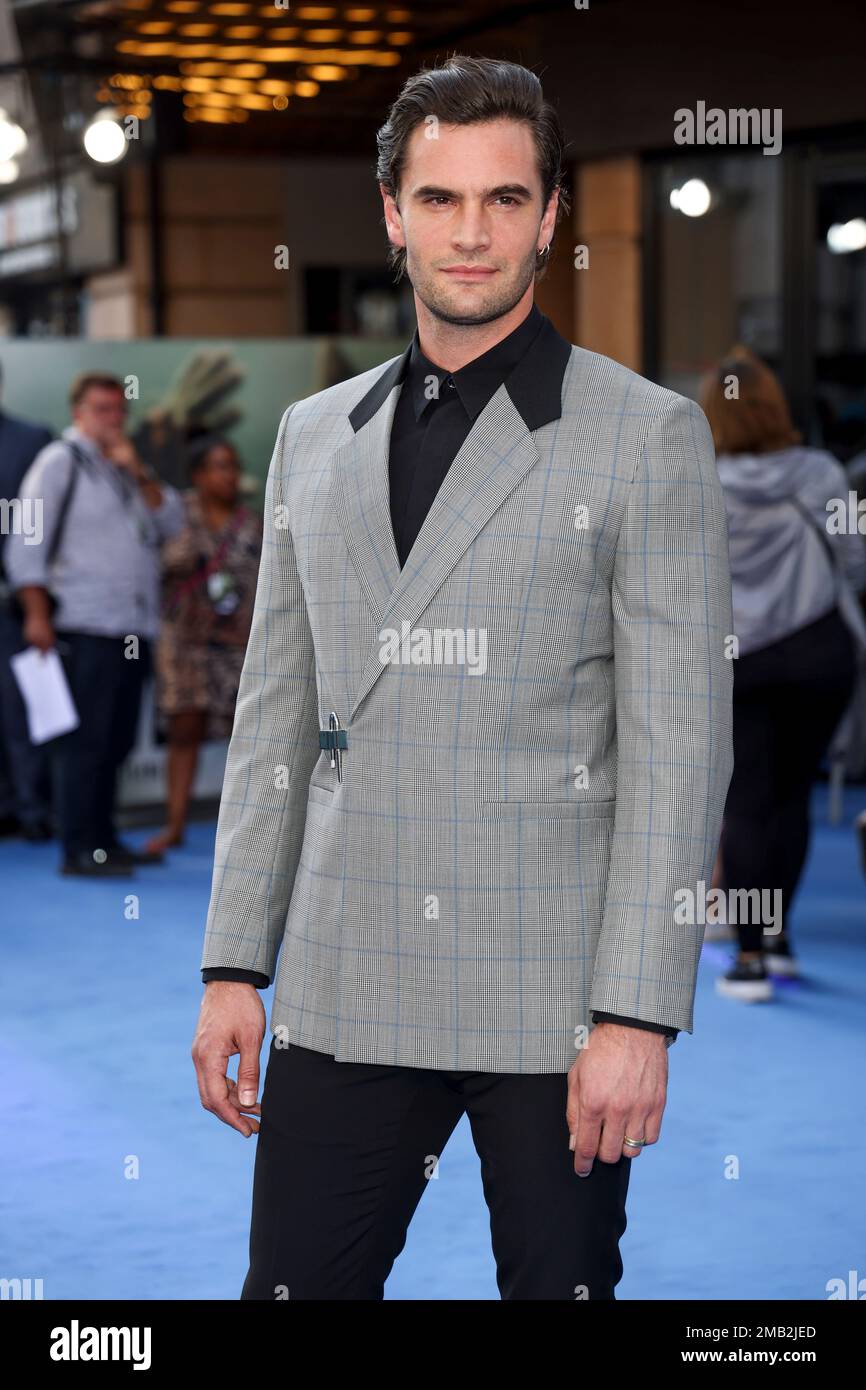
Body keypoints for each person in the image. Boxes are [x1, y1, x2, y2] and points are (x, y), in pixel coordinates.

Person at [192, 56, 734, 1300]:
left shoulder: (640, 433)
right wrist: (235, 964)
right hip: (345, 974)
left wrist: (639, 1016)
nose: (471, 231)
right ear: (392, 213)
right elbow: (272, 710)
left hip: (552, 1000)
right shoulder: (309, 436)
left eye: (503, 199)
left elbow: (676, 746)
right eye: (438, 200)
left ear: (550, 217)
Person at [699, 346, 866, 1001]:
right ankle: (778, 939)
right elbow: (853, 562)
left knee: (744, 803)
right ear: (776, 406)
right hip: (817, 652)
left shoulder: (696, 476)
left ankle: (746, 958)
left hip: (736, 657)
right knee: (791, 798)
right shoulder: (822, 473)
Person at [5, 372, 185, 877]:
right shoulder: (59, 462)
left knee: (118, 740)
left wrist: (141, 472)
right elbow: (26, 545)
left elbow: (172, 524)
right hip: (83, 625)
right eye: (102, 409)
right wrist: (37, 614)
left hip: (133, 625)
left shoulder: (126, 468)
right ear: (78, 413)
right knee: (84, 743)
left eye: (118, 410)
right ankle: (79, 848)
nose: (113, 419)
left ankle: (105, 838)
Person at [144, 434, 262, 854]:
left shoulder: (253, 524)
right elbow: (162, 564)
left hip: (237, 644)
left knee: (247, 734)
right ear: (197, 474)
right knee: (185, 727)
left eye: (232, 465)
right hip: (184, 642)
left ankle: (247, 830)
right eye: (218, 466)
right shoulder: (178, 516)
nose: (229, 475)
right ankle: (174, 824)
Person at [0, 363, 54, 839]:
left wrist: (35, 600)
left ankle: (30, 809)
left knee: (22, 714)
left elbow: (41, 524)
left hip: (15, 603)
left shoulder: (32, 439)